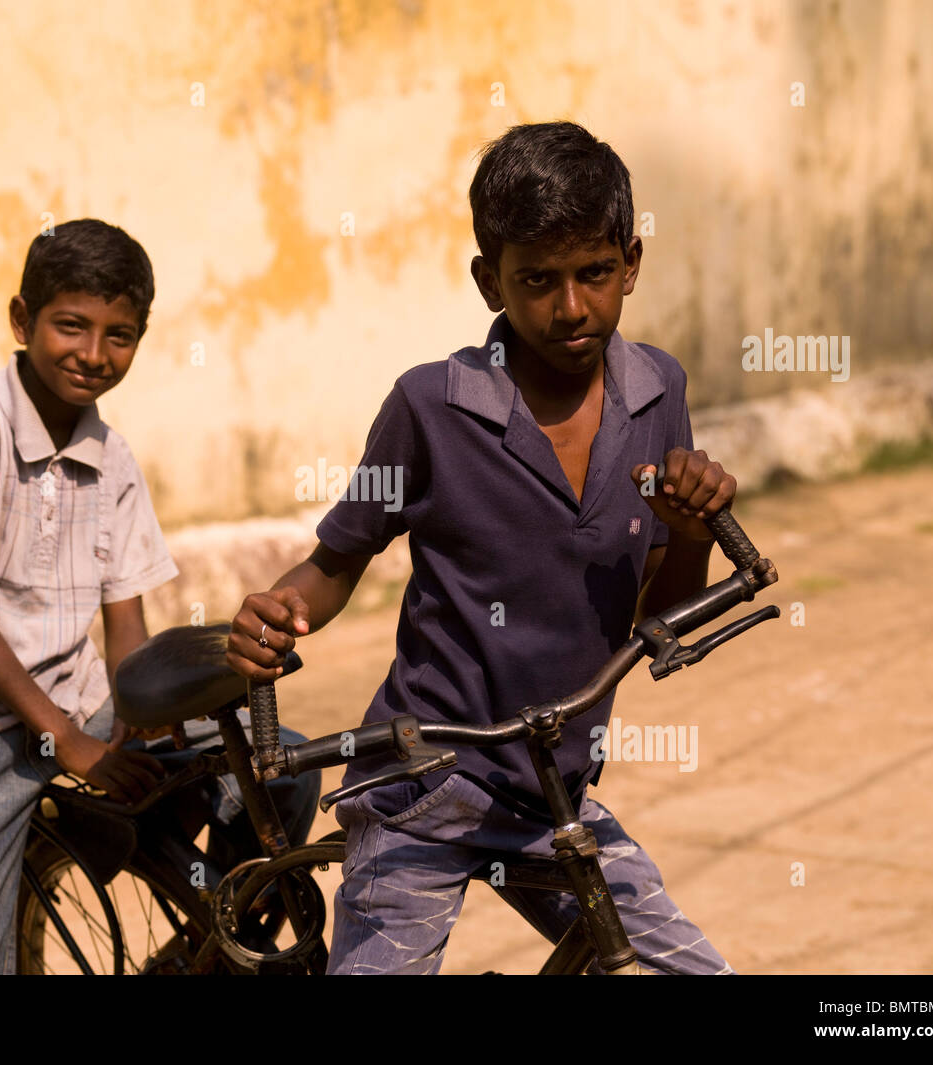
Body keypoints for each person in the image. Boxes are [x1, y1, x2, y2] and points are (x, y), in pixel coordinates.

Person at [227, 122, 738, 974]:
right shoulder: (431, 406)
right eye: (536, 280)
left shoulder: (659, 392)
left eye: (594, 273)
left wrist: (690, 534)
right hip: (422, 785)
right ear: (487, 280)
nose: (571, 306)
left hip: (554, 792)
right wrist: (278, 614)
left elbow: (664, 616)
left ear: (632, 264)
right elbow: (334, 563)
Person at [0, 218, 319, 974]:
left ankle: (215, 944)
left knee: (287, 768)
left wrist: (148, 720)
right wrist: (70, 743)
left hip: (83, 706)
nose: (93, 354)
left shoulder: (110, 457)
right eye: (71, 326)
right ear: (22, 321)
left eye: (119, 335)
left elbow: (127, 622)